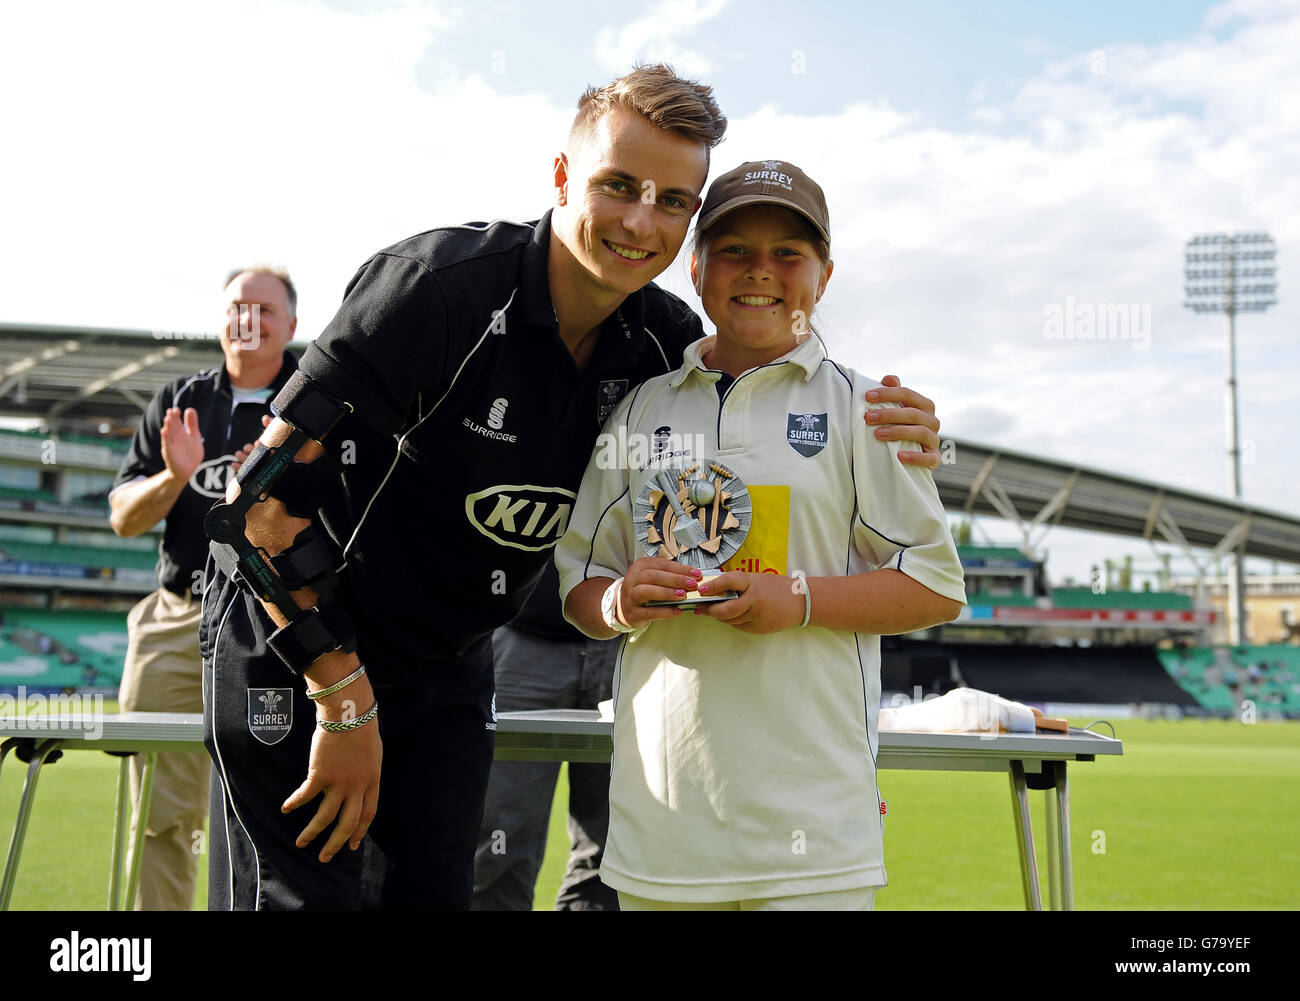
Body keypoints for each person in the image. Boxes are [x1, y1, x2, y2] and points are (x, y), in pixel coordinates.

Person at [201, 66, 945, 911]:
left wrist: (897, 420)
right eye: (618, 185)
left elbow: (769, 371)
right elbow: (257, 505)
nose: (640, 220)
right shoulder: (434, 288)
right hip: (300, 641)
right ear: (561, 175)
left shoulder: (661, 349)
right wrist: (340, 695)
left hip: (446, 661)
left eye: (672, 200)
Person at [556, 159, 968, 910]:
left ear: (825, 274)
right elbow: (579, 586)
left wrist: (800, 599)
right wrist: (618, 600)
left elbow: (936, 586)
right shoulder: (641, 411)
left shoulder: (867, 409)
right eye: (736, 249)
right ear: (697, 266)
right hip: (665, 829)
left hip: (813, 836)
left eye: (789, 253)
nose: (761, 273)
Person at [108, 266, 299, 909]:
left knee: (275, 808)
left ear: (292, 326)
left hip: (277, 624)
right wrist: (172, 476)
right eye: (239, 308)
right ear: (221, 321)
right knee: (162, 816)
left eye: (265, 310)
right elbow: (123, 517)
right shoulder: (179, 400)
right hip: (177, 615)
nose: (250, 320)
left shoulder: (316, 397)